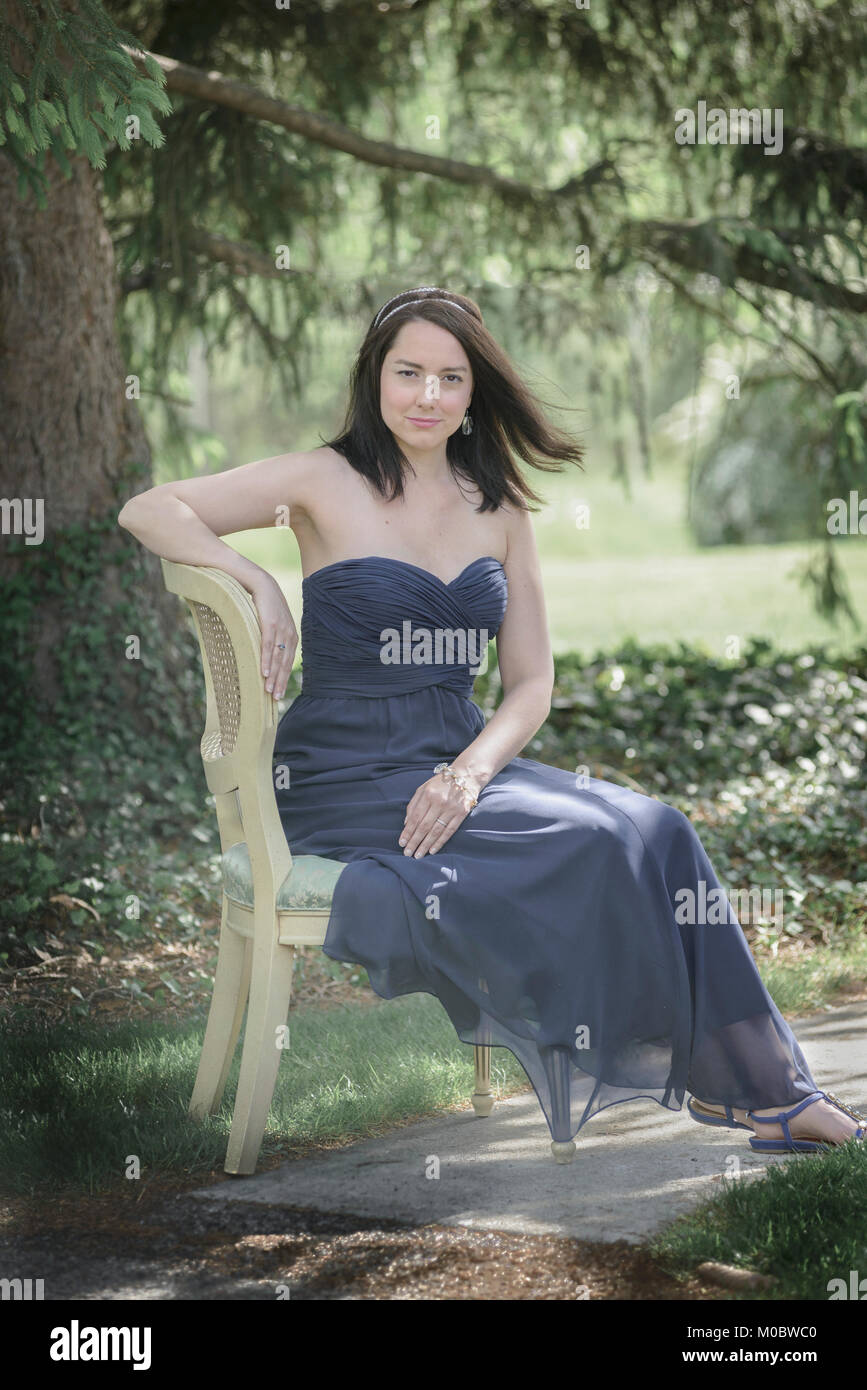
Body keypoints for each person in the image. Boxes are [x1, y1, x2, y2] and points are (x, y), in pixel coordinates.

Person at [118, 285, 865, 1161]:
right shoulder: (321, 480)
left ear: (474, 393)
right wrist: (252, 577)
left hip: (458, 759)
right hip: (345, 775)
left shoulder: (499, 506)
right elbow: (149, 508)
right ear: (375, 377)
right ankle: (767, 1095)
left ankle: (771, 1090)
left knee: (657, 831)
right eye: (408, 374)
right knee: (590, 846)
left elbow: (530, 683)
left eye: (449, 378)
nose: (427, 396)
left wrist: (467, 773)